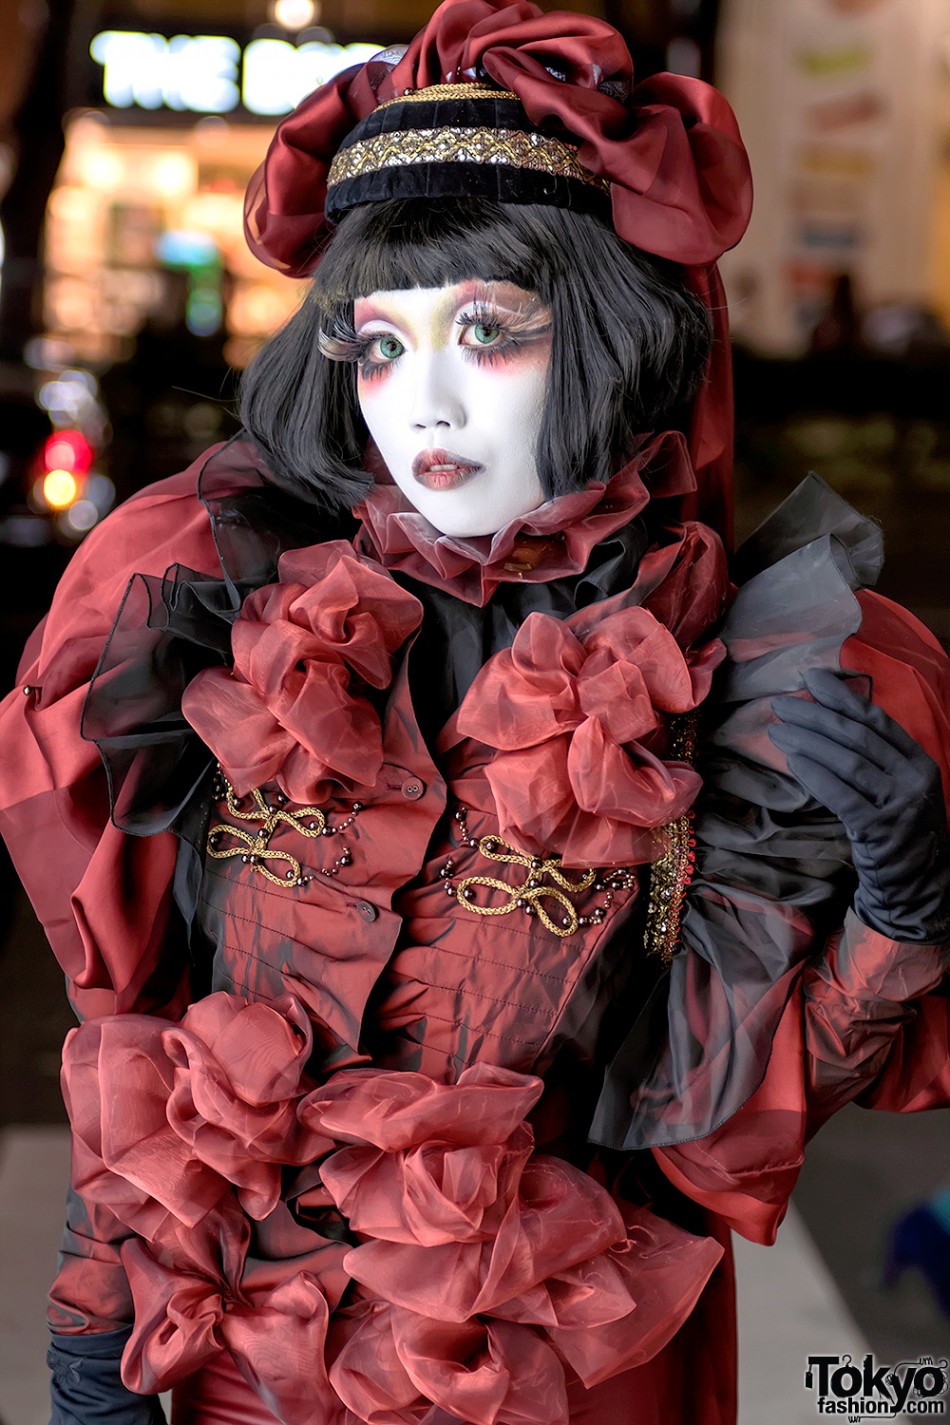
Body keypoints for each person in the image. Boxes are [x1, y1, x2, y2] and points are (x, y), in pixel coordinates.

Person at [1, 2, 949, 1422]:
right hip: (238, 1370)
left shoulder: (709, 687)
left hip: (532, 1375)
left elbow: (714, 1131)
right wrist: (98, 1326)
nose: (422, 404)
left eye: (488, 331)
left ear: (609, 344)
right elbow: (156, 1035)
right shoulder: (247, 614)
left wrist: (897, 916)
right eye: (381, 344)